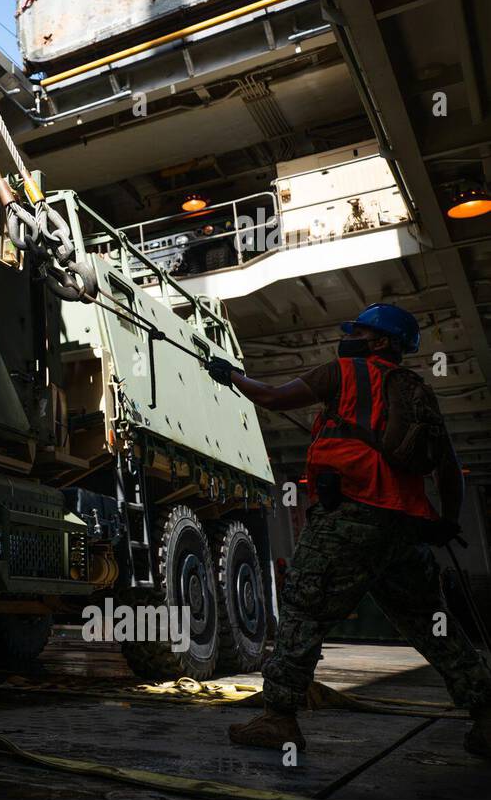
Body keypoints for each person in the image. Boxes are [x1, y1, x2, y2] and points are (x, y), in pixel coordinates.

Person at [205, 303, 490, 756]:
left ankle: (279, 718)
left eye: (358, 330)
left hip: (351, 520)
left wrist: (231, 375)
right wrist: (444, 522)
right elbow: (449, 468)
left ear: (380, 341)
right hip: (404, 529)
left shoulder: (342, 372)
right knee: (430, 623)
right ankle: (486, 713)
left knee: (303, 609)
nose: (350, 336)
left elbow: (275, 397)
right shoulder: (417, 390)